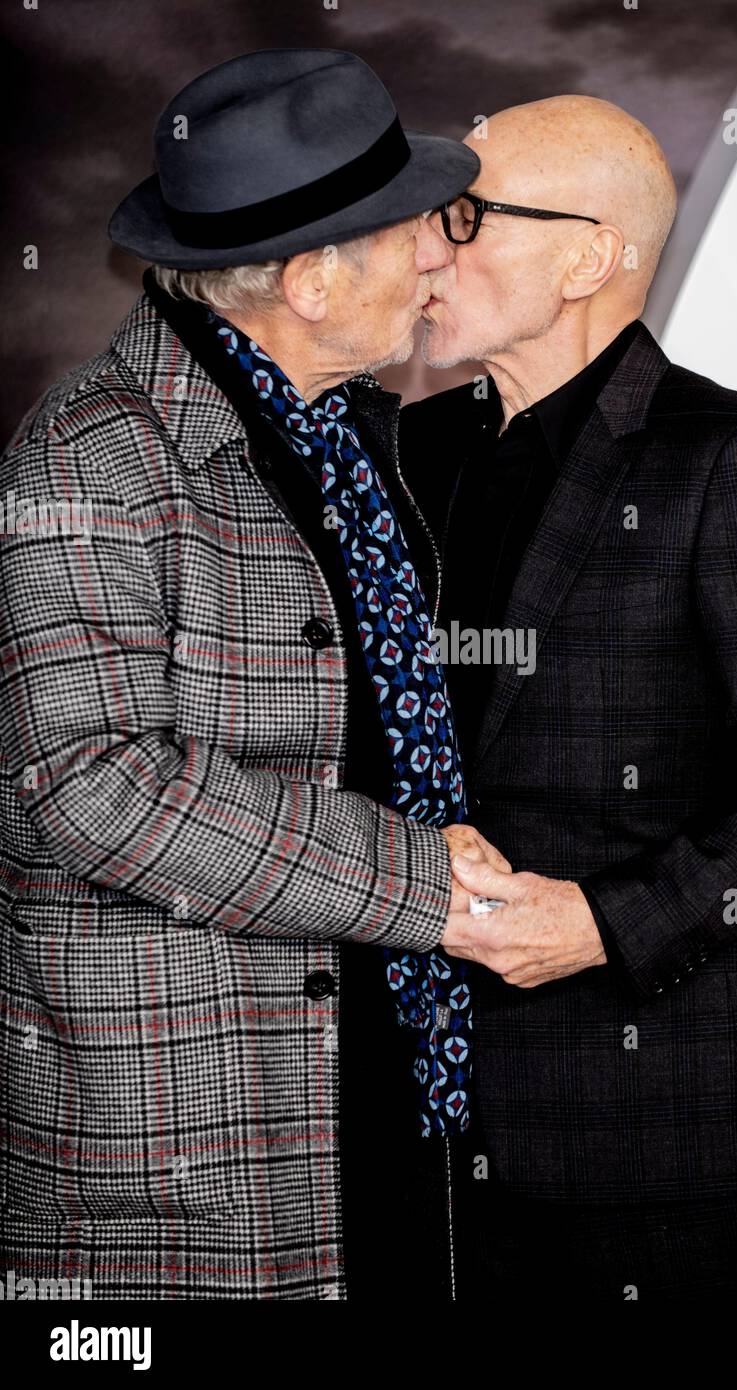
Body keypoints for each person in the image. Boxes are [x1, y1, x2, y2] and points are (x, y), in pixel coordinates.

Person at [0, 48, 506, 1300]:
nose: (443, 256)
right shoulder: (93, 459)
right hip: (193, 1116)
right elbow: (92, 786)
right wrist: (420, 883)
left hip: (370, 1061)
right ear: (310, 279)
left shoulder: (342, 430)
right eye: (414, 232)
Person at [401, 94, 737, 1299]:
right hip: (406, 1131)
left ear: (587, 255)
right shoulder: (401, 450)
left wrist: (606, 924)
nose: (427, 246)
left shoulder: (730, 454)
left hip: (645, 1139)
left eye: (465, 214)